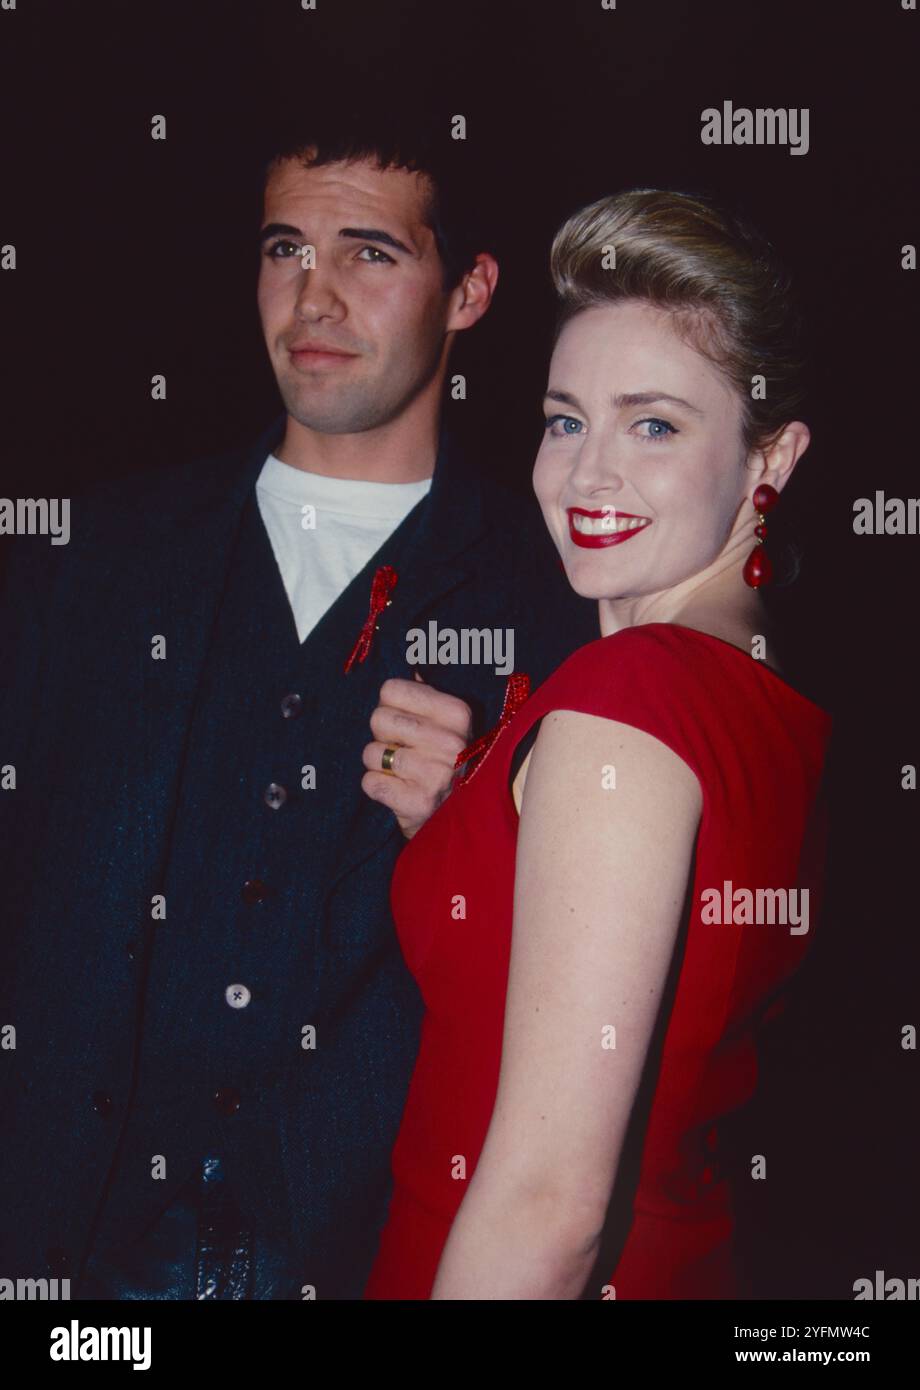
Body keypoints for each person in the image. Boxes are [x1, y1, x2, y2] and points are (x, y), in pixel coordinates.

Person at [0, 117, 598, 1300]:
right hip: (72, 1250)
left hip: (363, 1249)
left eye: (368, 254)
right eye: (286, 249)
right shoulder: (95, 553)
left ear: (468, 291)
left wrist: (479, 823)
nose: (312, 297)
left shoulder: (556, 595)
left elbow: (589, 985)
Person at [363, 188, 833, 1300]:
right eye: (565, 417)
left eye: (653, 423)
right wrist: (470, 819)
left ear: (770, 459)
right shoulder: (758, 699)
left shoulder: (623, 695)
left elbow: (544, 1212)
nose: (584, 474)